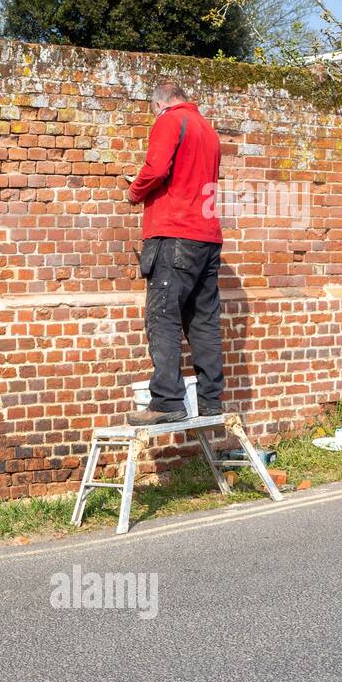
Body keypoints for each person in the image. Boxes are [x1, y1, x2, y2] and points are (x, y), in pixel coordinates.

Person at [125, 80, 225, 425]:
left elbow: (156, 170)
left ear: (161, 103)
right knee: (204, 321)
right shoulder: (208, 131)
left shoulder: (170, 120)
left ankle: (167, 401)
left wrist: (134, 192)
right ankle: (212, 401)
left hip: (174, 234)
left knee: (162, 318)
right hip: (208, 238)